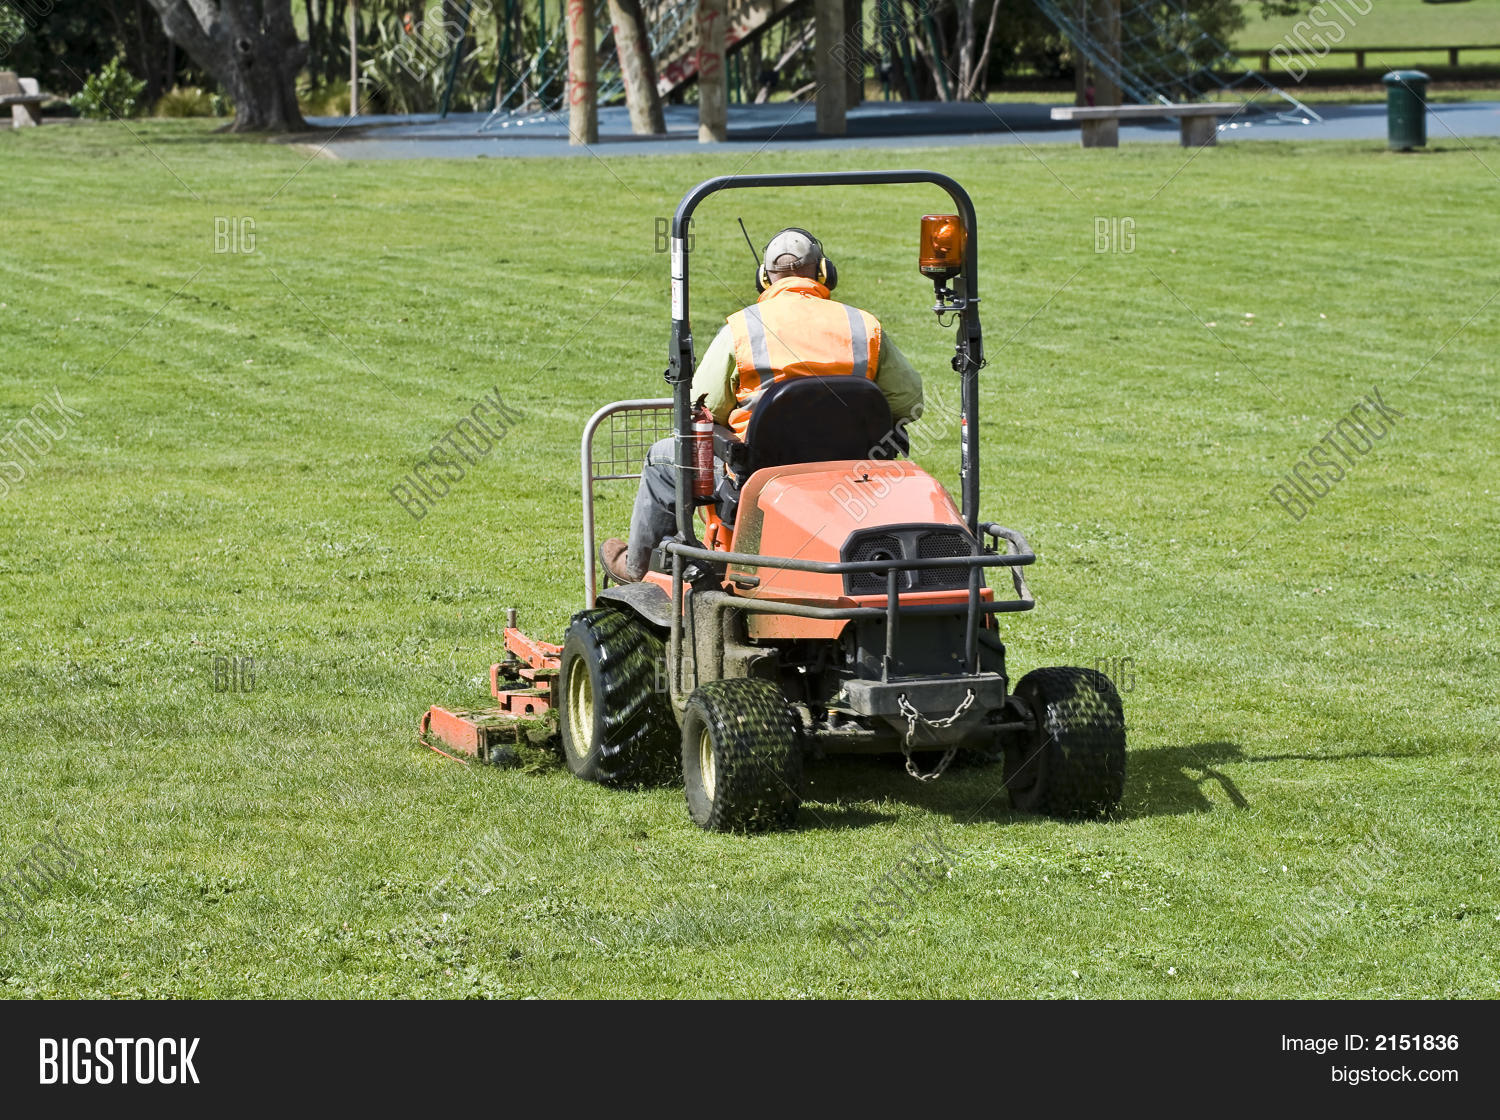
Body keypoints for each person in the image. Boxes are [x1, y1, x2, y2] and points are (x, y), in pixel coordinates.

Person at [601, 227, 924, 584]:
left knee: (661, 459)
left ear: (764, 278)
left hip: (760, 478)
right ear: (824, 272)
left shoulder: (742, 329)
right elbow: (908, 400)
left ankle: (640, 570)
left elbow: (700, 405)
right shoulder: (863, 326)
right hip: (851, 476)